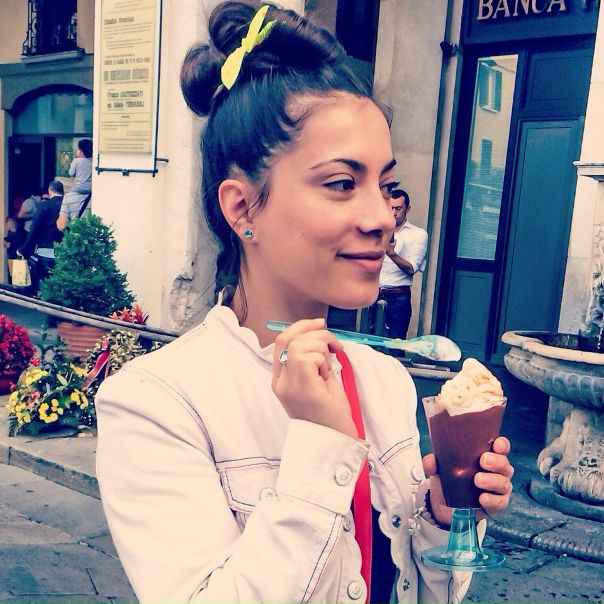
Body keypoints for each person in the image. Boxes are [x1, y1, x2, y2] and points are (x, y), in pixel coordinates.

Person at [95, 4, 514, 604]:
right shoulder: (156, 404)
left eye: (384, 185)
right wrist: (319, 442)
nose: (381, 217)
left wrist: (443, 518)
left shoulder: (385, 380)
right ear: (242, 207)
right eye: (342, 183)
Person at [375, 189, 428, 341]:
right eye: (391, 208)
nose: (394, 213)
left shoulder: (418, 234)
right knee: (369, 344)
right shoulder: (378, 230)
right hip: (374, 293)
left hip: (398, 296)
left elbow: (412, 268)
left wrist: (391, 253)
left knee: (396, 345)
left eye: (398, 208)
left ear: (407, 209)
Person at [17, 180, 64, 293]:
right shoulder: (66, 206)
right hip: (63, 253)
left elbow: (34, 230)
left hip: (44, 252)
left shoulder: (44, 206)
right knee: (59, 289)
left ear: (50, 191)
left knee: (44, 288)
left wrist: (24, 249)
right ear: (63, 192)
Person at [57, 138, 93, 231]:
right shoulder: (93, 162)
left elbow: (71, 173)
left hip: (78, 189)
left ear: (81, 151)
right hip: (90, 190)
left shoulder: (76, 161)